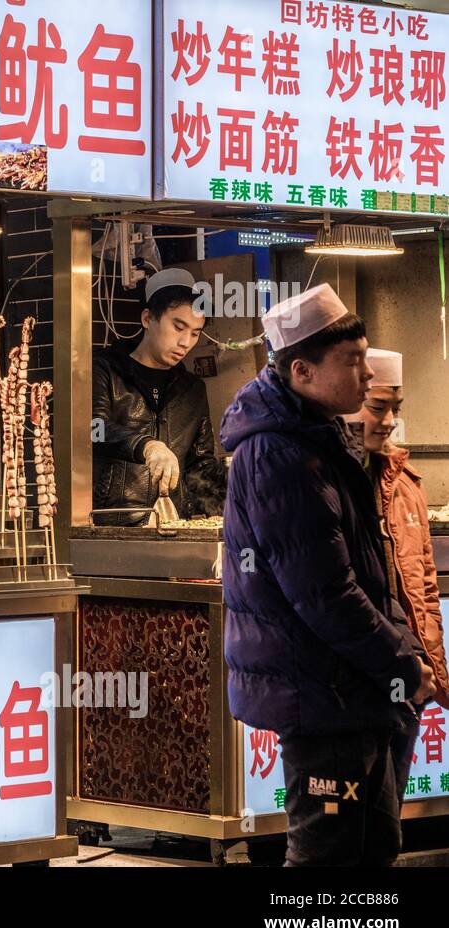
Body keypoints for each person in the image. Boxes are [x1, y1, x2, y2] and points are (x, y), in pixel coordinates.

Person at [221, 284, 434, 867]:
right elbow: (326, 593)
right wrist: (400, 660)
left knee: (371, 845)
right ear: (301, 370)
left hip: (349, 689)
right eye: (352, 362)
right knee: (327, 850)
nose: (367, 376)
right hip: (320, 693)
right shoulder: (279, 455)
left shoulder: (318, 439)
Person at [344, 348, 447, 803]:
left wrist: (434, 669)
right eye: (377, 407)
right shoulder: (327, 478)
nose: (386, 421)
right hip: (353, 680)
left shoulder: (406, 484)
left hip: (409, 676)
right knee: (345, 826)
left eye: (393, 410)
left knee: (386, 823)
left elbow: (424, 586)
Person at [91, 267, 225, 523]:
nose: (186, 342)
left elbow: (200, 466)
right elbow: (93, 430)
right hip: (112, 524)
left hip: (171, 524)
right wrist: (146, 446)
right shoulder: (104, 369)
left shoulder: (192, 389)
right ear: (147, 318)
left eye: (195, 333)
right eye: (178, 327)